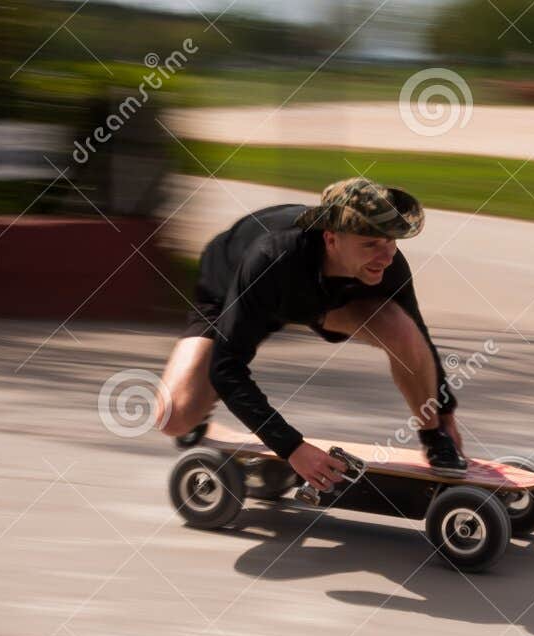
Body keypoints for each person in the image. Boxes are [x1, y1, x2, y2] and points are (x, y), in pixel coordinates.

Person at [156, 177, 466, 491]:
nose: (386, 256)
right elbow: (227, 367)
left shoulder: (387, 266)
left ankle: (432, 437)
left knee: (402, 328)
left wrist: (444, 416)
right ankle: (200, 406)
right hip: (232, 293)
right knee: (172, 417)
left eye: (391, 242)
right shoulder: (270, 257)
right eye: (370, 244)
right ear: (331, 239)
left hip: (315, 301)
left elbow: (419, 337)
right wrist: (292, 448)